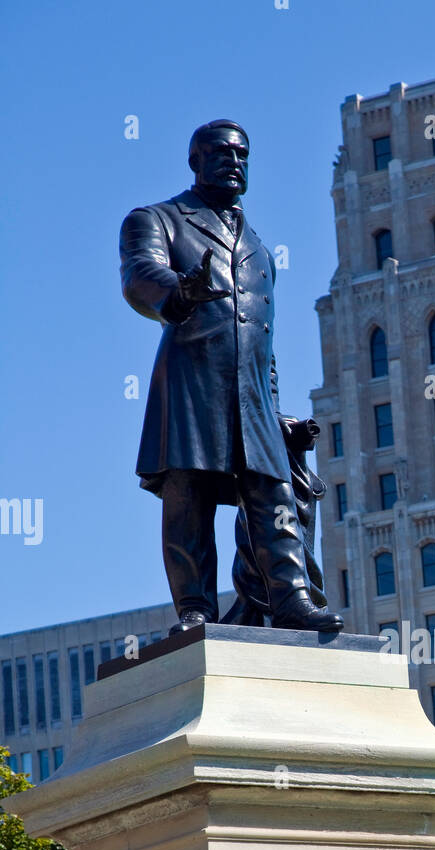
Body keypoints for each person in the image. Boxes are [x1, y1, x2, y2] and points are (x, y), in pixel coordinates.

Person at [119, 119, 343, 633]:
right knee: (189, 501)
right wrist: (178, 291)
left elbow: (263, 345)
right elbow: (139, 275)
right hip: (190, 388)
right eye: (220, 153)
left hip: (252, 400)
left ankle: (290, 600)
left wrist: (277, 411)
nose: (234, 162)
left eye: (242, 154)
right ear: (194, 161)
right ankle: (196, 609)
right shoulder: (157, 219)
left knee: (274, 496)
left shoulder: (260, 249)